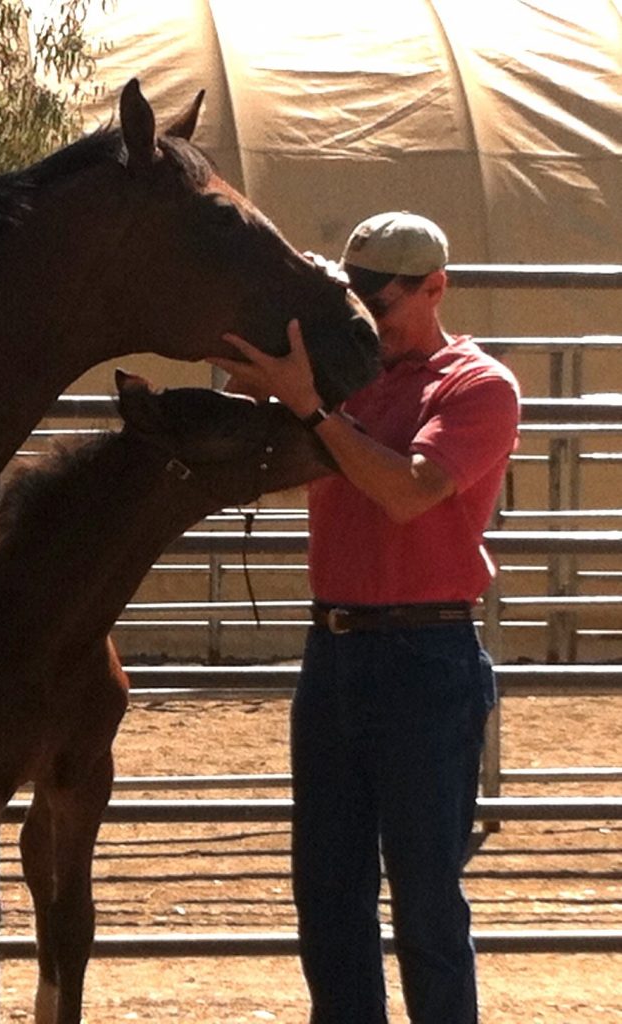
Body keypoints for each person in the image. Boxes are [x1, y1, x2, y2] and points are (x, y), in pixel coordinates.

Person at [207, 211, 520, 1024]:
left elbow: (407, 492)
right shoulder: (347, 369)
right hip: (337, 646)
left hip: (426, 655)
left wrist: (311, 408)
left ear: (434, 288)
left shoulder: (475, 386)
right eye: (357, 301)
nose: (367, 320)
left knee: (423, 897)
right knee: (327, 892)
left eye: (381, 305)